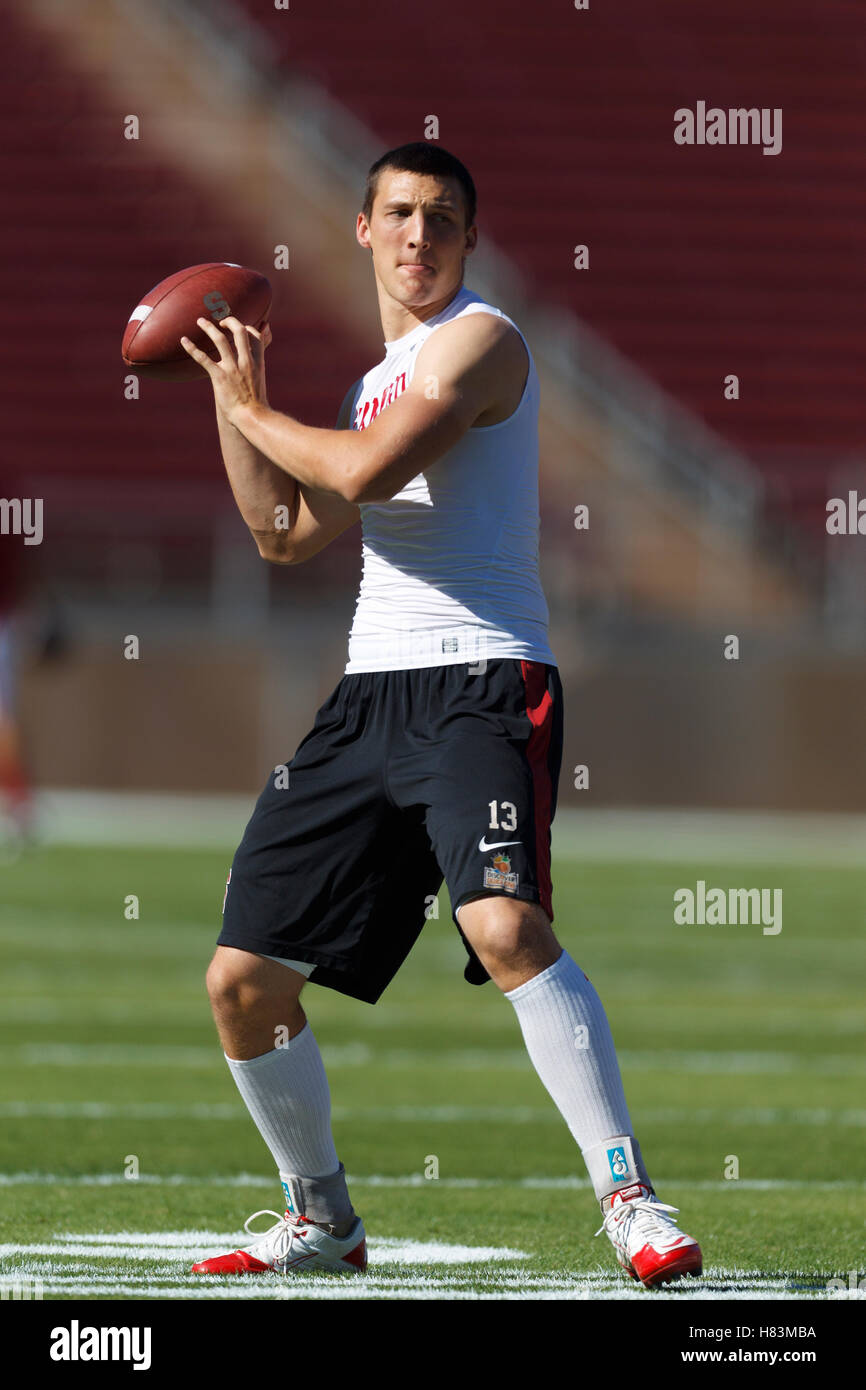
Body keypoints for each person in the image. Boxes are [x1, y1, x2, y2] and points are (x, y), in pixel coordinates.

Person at [182, 142, 701, 1288]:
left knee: (504, 928)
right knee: (242, 984)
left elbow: (364, 475)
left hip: (480, 682)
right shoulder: (367, 385)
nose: (420, 234)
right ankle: (324, 1221)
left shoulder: (482, 339)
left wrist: (253, 405)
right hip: (368, 692)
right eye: (401, 213)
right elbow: (281, 535)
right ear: (363, 229)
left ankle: (628, 1197)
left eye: (444, 218)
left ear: (469, 239)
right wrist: (230, 399)